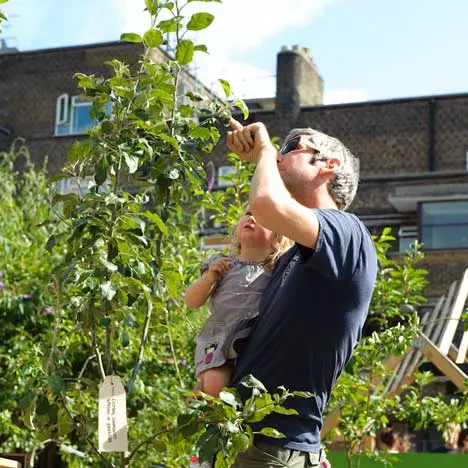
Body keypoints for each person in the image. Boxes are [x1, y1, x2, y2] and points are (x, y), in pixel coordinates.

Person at [225, 119, 378, 467]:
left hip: (274, 448)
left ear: (329, 165)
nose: (279, 155)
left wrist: (263, 149)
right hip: (255, 442)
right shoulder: (295, 256)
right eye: (278, 149)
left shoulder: (346, 231)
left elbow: (265, 204)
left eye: (291, 147)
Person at [184, 209, 292, 397]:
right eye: (248, 213)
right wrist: (209, 278)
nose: (251, 217)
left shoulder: (275, 271)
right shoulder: (222, 264)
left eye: (262, 218)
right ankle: (199, 405)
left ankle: (203, 403)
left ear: (277, 239)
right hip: (219, 339)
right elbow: (192, 301)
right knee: (215, 386)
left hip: (252, 342)